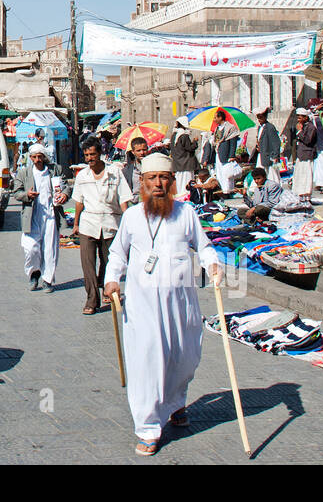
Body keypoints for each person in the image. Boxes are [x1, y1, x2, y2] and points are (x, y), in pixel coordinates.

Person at [103, 153, 222, 456]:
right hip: (143, 306)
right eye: (151, 178)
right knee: (147, 363)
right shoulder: (131, 217)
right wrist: (112, 279)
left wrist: (213, 265)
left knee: (184, 358)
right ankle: (148, 427)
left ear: (171, 182)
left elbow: (205, 247)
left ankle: (175, 402)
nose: (158, 184)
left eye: (163, 178)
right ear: (141, 182)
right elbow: (117, 254)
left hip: (181, 303)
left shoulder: (186, 213)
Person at [71, 136, 121, 316]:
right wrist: (76, 223)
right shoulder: (82, 176)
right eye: (86, 155)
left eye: (92, 154)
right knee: (88, 264)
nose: (90, 158)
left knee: (108, 261)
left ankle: (105, 286)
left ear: (100, 153)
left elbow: (124, 200)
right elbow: (79, 201)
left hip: (110, 223)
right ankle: (92, 299)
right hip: (88, 224)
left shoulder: (115, 172)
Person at [14, 144, 66, 292]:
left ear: (44, 157)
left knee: (50, 249)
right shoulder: (24, 173)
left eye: (40, 157)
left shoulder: (54, 170)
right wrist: (27, 195)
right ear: (30, 158)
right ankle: (34, 273)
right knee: (31, 249)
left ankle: (48, 279)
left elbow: (65, 187)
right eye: (34, 157)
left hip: (50, 216)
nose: (37, 160)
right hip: (32, 216)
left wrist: (64, 195)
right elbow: (16, 192)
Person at [292, 108, 318, 199]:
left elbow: (307, 140)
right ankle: (300, 195)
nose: (298, 120)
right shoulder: (303, 126)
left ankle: (307, 196)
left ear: (306, 118)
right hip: (301, 155)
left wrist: (299, 131)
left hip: (307, 155)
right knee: (300, 175)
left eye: (300, 117)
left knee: (306, 176)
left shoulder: (311, 127)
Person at [121, 136, 149, 211]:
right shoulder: (127, 171)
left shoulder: (153, 168)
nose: (142, 153)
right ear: (133, 152)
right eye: (138, 150)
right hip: (133, 206)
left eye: (144, 150)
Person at [170, 117, 198, 194]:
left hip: (178, 163)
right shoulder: (184, 136)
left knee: (180, 183)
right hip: (186, 163)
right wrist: (195, 142)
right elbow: (190, 148)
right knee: (187, 183)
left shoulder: (174, 135)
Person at [212, 112, 240, 178]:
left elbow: (233, 143)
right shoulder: (217, 129)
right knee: (220, 174)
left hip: (226, 155)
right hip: (218, 154)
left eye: (215, 118)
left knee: (227, 175)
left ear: (220, 117)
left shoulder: (230, 128)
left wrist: (231, 156)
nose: (214, 120)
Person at [254, 108, 281, 173]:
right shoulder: (260, 127)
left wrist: (275, 156)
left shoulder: (270, 127)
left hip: (269, 156)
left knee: (271, 174)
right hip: (262, 155)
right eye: (258, 118)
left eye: (261, 117)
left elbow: (276, 143)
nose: (259, 120)